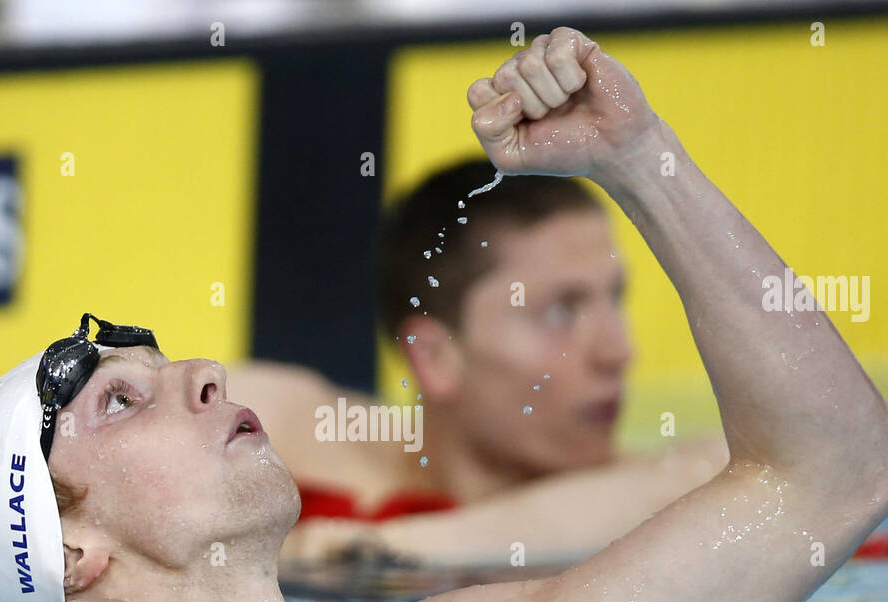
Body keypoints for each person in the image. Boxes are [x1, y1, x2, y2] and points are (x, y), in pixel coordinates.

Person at [0, 28, 888, 602]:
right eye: (123, 401)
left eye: (174, 364)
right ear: (70, 549)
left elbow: (842, 471)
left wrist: (637, 158)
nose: (204, 374)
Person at [235, 163, 727, 568]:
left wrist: (363, 552)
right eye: (560, 311)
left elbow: (739, 464)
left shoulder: (665, 489)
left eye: (614, 298)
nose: (618, 351)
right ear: (435, 357)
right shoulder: (301, 437)